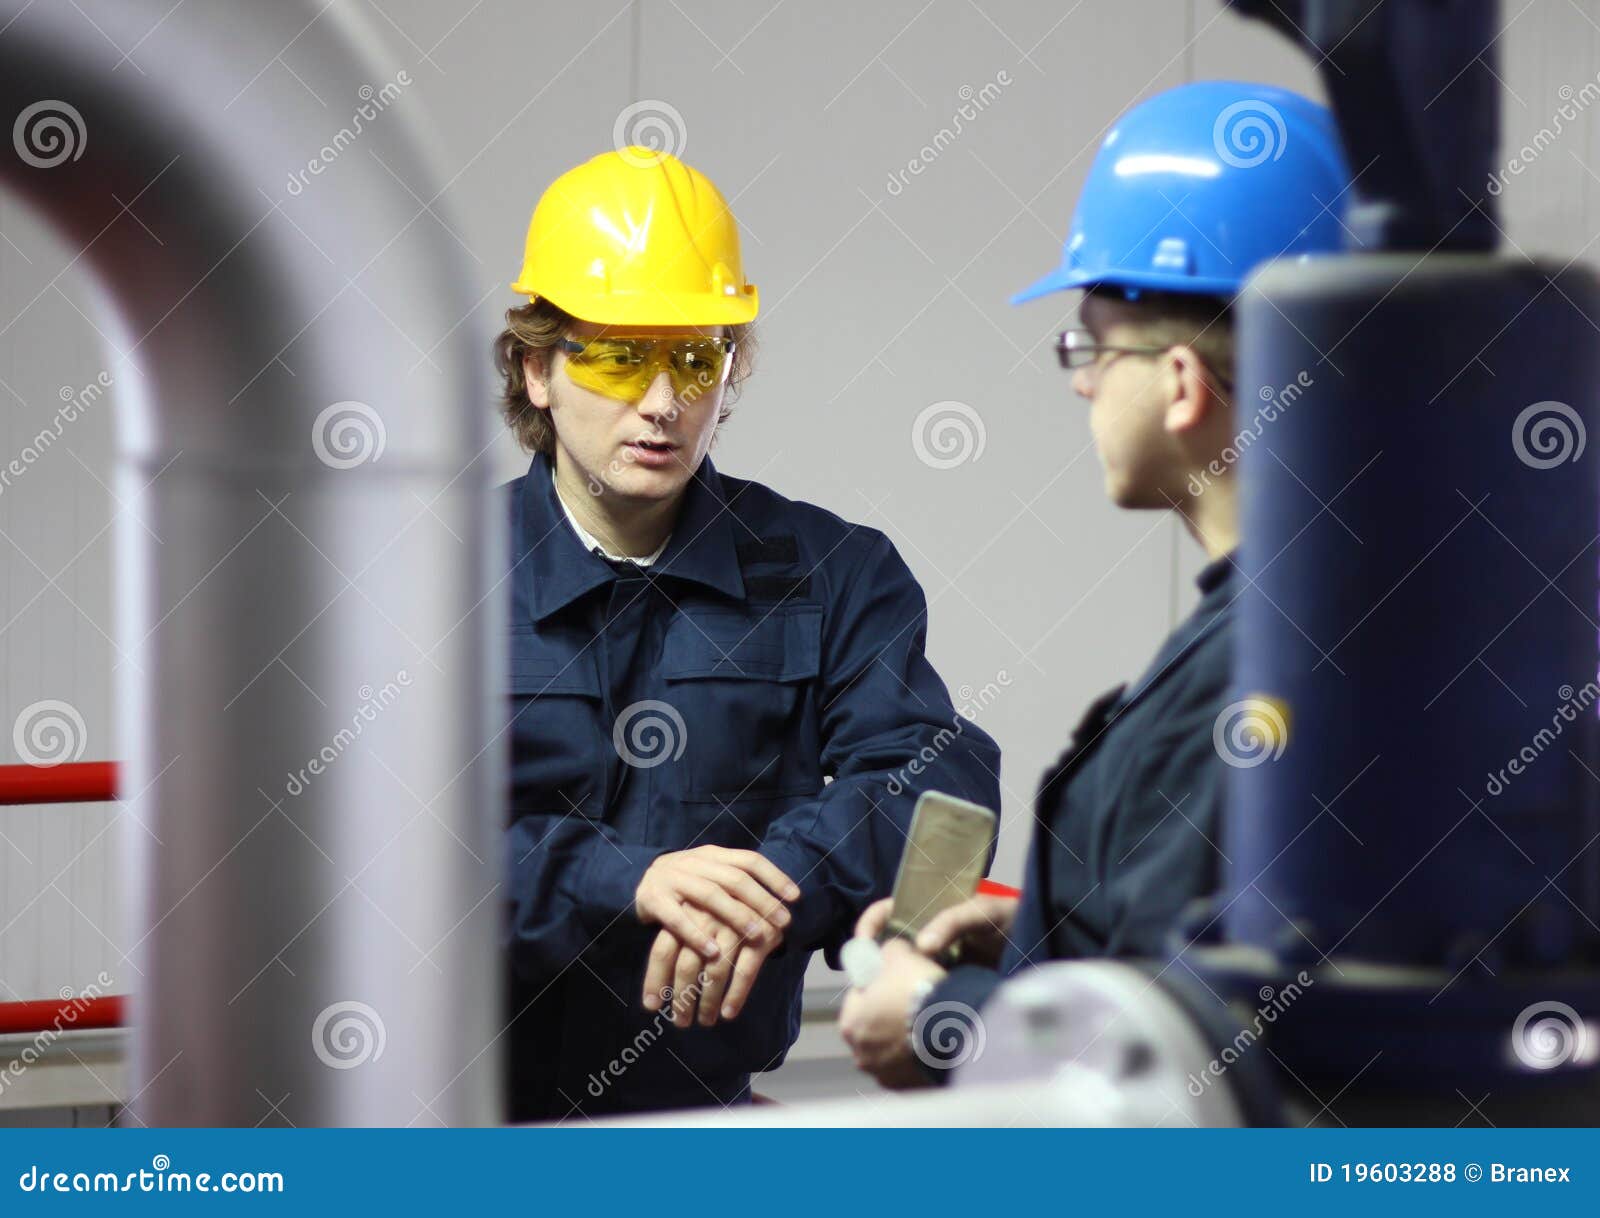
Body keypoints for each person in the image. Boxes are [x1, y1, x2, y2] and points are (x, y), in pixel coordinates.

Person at [837, 80, 1351, 1087]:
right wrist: (1044, 938)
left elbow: (1177, 1077)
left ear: (1181, 385)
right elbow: (1219, 950)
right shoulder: (1350, 618)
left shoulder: (1250, 675)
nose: (1079, 380)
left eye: (1090, 345)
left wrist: (944, 1020)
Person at [497, 147, 1002, 1118]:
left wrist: (778, 885)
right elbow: (371, 849)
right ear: (537, 369)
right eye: (619, 355)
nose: (661, 403)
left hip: (703, 1121)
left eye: (695, 359)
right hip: (447, 1128)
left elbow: (946, 790)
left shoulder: (831, 572)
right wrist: (621, 881)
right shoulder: (425, 583)